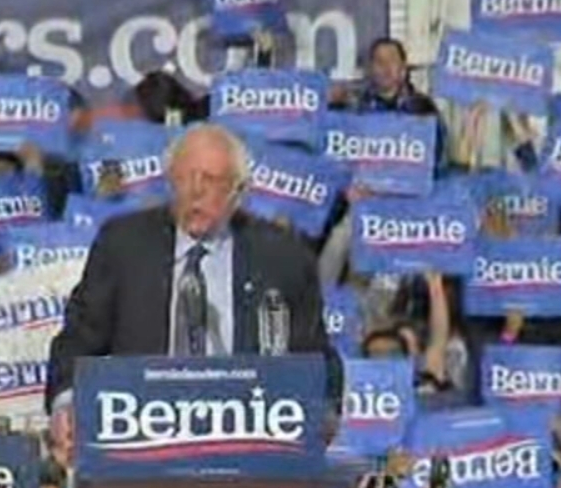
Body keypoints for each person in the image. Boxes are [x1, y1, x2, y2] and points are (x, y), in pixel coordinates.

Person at [43, 123, 341, 420]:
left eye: (210, 180)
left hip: (246, 431)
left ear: (239, 191)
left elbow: (314, 354)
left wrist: (325, 407)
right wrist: (66, 402)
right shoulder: (123, 245)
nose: (195, 192)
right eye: (184, 179)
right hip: (143, 429)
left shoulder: (281, 255)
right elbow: (78, 341)